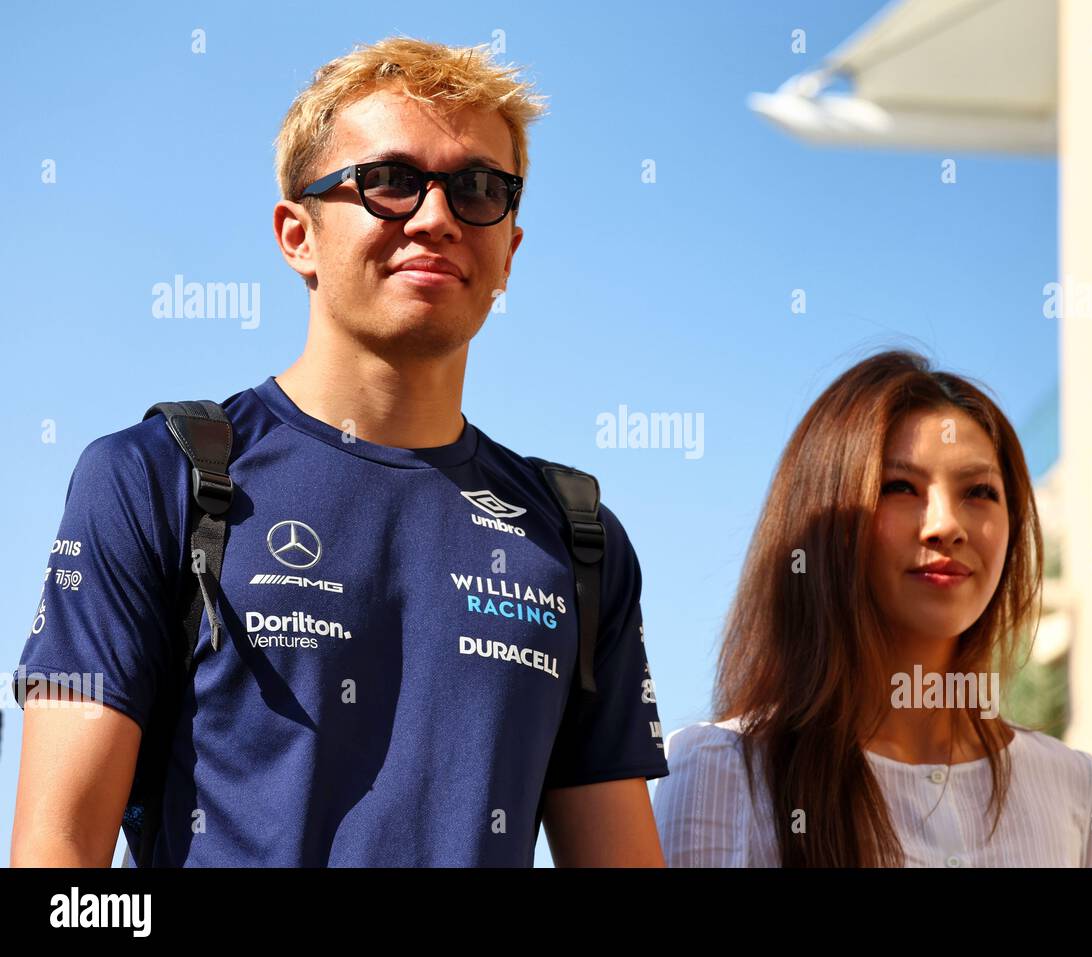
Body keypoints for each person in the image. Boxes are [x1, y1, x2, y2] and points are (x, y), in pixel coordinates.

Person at [10, 37, 668, 867]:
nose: (436, 218)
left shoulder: (579, 540)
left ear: (509, 250)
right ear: (297, 235)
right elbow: (57, 850)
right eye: (391, 181)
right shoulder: (155, 477)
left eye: (477, 189)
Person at [652, 349, 1092, 867]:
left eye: (979, 491)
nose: (946, 525)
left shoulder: (1071, 786)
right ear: (826, 518)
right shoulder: (722, 770)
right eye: (900, 487)